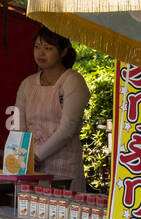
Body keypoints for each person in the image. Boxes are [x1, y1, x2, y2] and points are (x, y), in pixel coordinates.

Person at [14, 26, 91, 192]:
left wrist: (36, 156)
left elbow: (67, 129)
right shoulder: (27, 84)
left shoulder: (72, 81)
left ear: (63, 52)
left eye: (48, 48)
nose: (41, 53)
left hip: (63, 167)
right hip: (29, 166)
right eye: (37, 47)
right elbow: (19, 126)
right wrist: (21, 156)